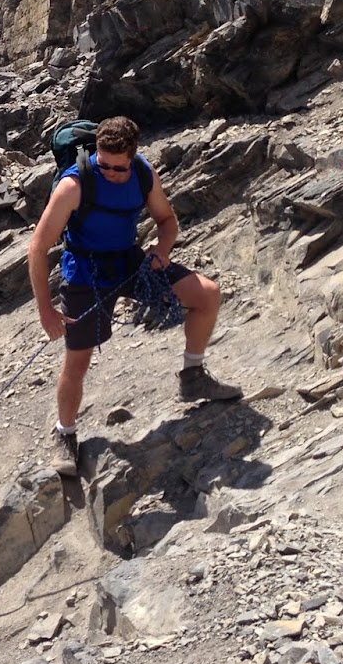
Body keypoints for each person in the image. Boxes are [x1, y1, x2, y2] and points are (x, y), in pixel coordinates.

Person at [27, 115, 240, 476]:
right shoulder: (74, 185)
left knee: (208, 295)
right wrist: (46, 310)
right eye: (104, 165)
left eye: (118, 167)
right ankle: (65, 434)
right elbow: (38, 247)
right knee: (77, 362)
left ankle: (193, 375)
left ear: (133, 155)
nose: (110, 172)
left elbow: (167, 221)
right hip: (86, 273)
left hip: (130, 261)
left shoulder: (142, 173)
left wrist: (163, 248)